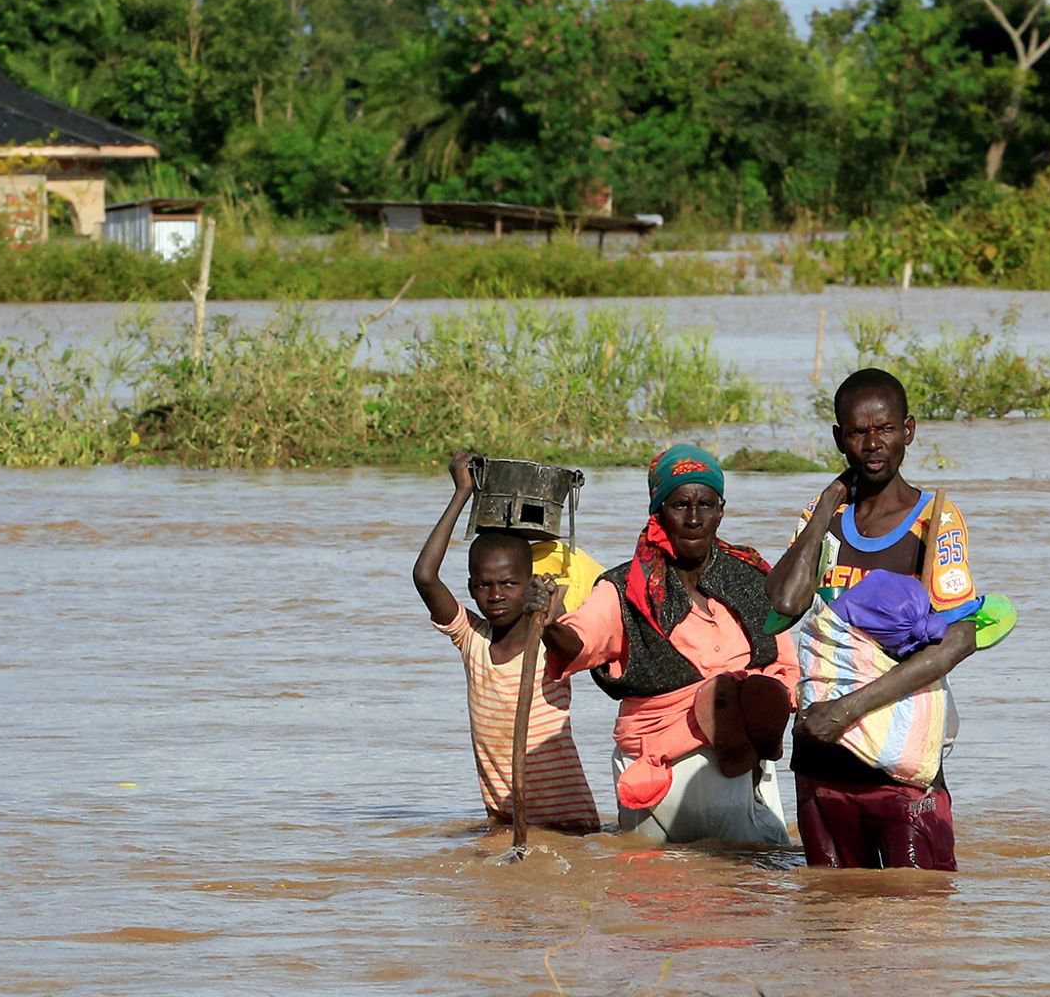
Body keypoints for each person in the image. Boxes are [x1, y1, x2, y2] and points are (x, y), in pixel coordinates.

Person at [767, 367, 980, 871]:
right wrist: (822, 514)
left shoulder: (936, 520)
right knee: (829, 922)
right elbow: (784, 605)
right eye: (858, 433)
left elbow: (956, 641)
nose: (873, 443)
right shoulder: (824, 519)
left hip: (900, 765)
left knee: (916, 922)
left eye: (883, 429)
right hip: (821, 761)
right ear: (840, 439)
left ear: (908, 430)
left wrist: (847, 710)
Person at [542, 444, 798, 844]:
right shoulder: (624, 589)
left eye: (706, 505)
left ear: (721, 510)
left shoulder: (751, 577)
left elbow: (785, 669)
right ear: (658, 512)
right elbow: (580, 640)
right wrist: (548, 624)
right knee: (657, 889)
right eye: (680, 505)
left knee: (752, 887)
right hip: (654, 766)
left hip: (743, 764)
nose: (694, 519)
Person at [414, 453, 600, 834]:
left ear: (530, 583)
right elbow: (425, 576)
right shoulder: (473, 641)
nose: (496, 595)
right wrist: (462, 493)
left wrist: (548, 619)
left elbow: (575, 647)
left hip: (570, 825)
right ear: (471, 588)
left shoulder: (548, 641)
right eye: (484, 585)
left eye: (509, 584)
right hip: (505, 822)